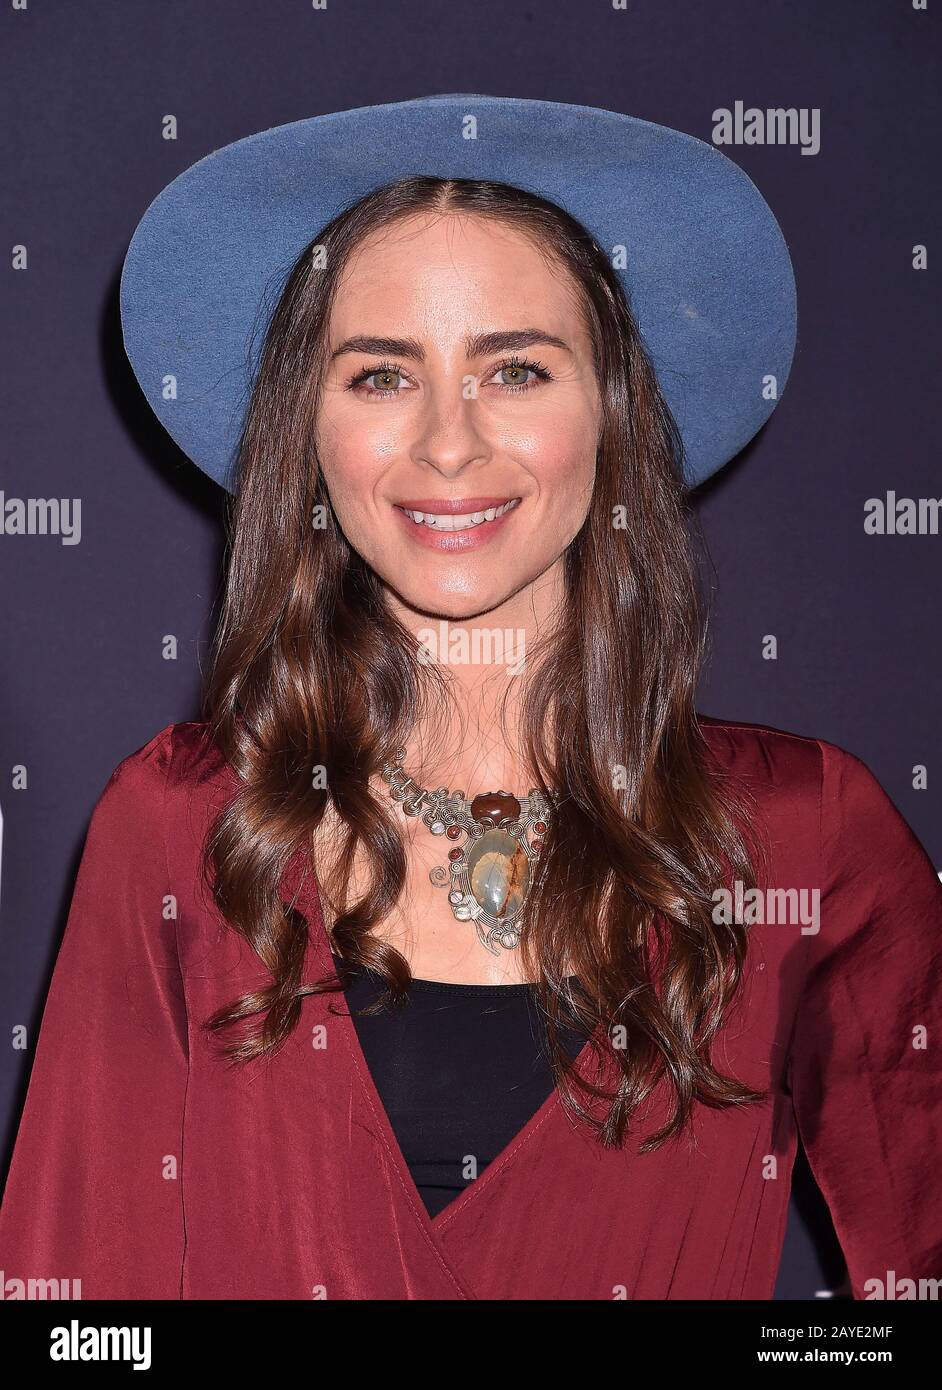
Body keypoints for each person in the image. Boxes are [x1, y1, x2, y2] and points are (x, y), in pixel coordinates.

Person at [1, 95, 939, 1301]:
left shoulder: (808, 832)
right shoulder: (181, 826)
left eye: (516, 368)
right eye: (384, 374)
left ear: (612, 411)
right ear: (310, 439)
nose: (450, 442)